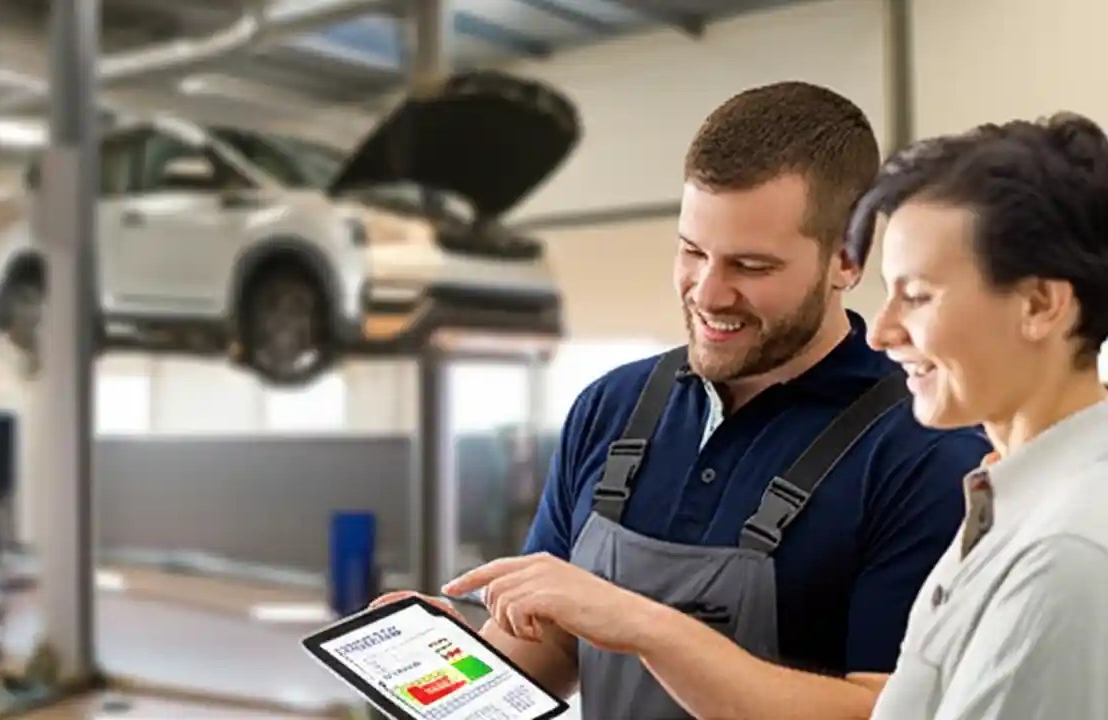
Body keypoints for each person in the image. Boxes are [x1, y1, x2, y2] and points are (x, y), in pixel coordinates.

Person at [374, 81, 992, 718]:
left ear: (847, 259)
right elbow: (548, 643)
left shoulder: (923, 450)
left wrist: (647, 626)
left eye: (751, 267)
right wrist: (450, 669)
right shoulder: (611, 406)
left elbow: (889, 711)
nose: (709, 293)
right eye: (692, 252)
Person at [852, 114, 1108, 719]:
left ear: (1040, 304)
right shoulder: (1015, 502)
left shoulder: (1065, 552)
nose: (881, 332)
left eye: (916, 296)